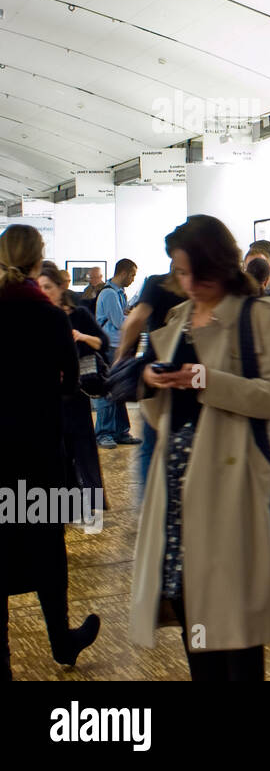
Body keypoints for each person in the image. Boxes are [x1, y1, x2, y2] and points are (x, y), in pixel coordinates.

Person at [129, 215, 270, 680]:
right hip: (178, 491)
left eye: (193, 272)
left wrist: (209, 380)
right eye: (178, 272)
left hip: (233, 489)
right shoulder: (179, 318)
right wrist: (152, 379)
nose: (186, 283)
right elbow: (163, 406)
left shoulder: (257, 314)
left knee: (237, 630)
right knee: (195, 617)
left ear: (218, 264)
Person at [2, 225, 101, 680]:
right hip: (40, 452)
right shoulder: (48, 316)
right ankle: (62, 639)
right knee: (47, 547)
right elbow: (70, 377)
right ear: (37, 260)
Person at [37, 264, 110, 512]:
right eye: (39, 287)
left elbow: (103, 342)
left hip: (76, 390)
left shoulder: (77, 313)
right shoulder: (37, 316)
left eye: (48, 286)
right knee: (58, 450)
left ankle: (89, 501)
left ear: (60, 287)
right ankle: (64, 505)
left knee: (82, 446)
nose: (43, 292)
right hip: (49, 395)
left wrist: (81, 336)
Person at [114, 258, 187, 492]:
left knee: (153, 443)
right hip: (188, 372)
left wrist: (122, 361)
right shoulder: (206, 287)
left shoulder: (158, 283)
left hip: (158, 371)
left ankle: (151, 503)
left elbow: (135, 321)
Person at [94, 258, 139, 448]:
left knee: (120, 390)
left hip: (118, 348)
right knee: (108, 391)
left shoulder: (119, 294)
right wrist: (137, 317)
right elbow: (120, 323)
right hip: (110, 348)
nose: (133, 279)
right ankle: (104, 433)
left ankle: (121, 431)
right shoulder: (110, 295)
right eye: (132, 275)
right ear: (124, 272)